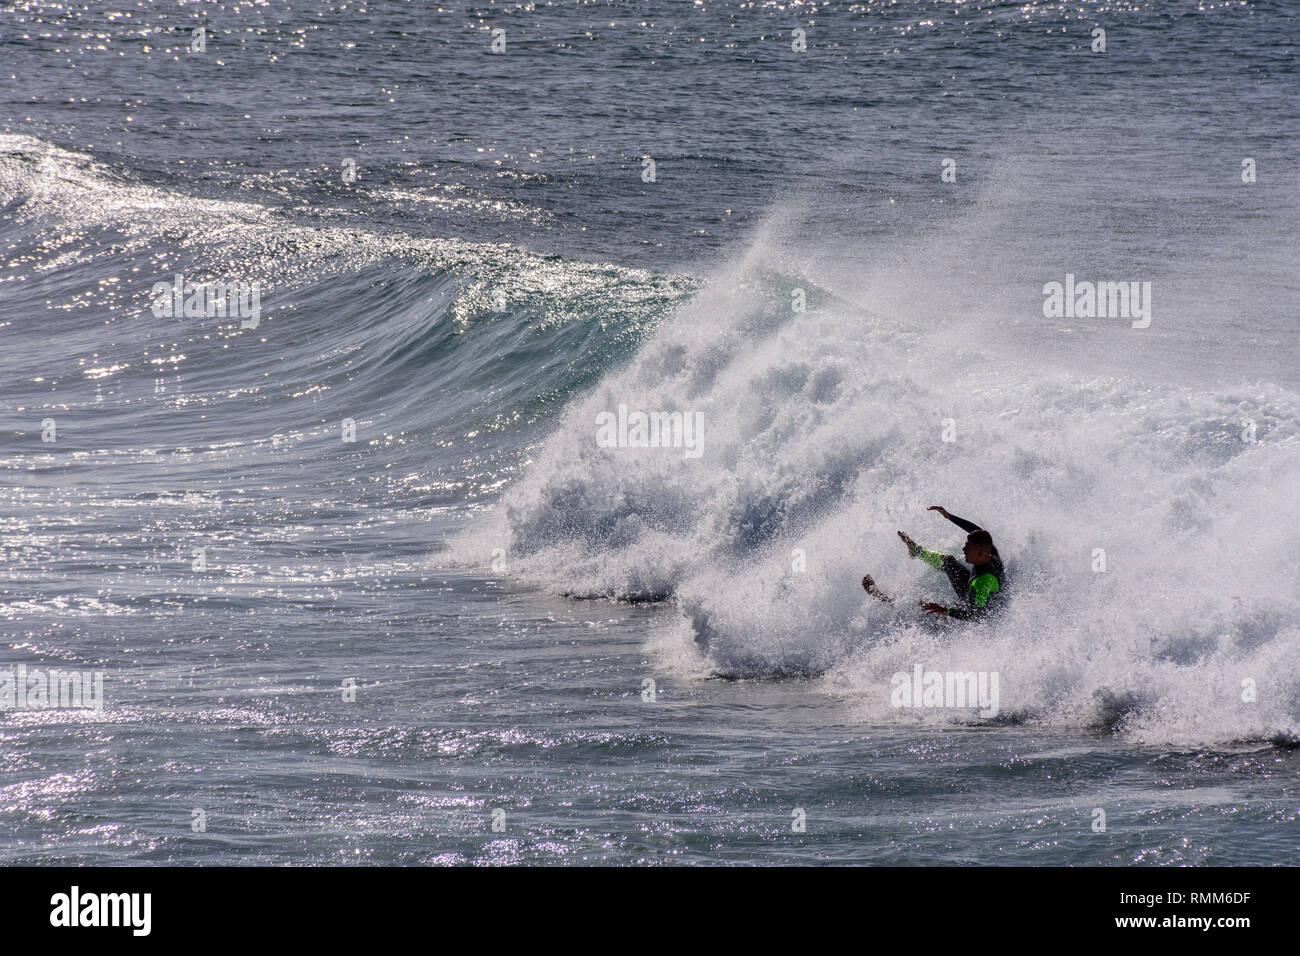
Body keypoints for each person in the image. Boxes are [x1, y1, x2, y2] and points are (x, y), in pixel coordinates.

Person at [862, 505, 1005, 619]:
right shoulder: (988, 551)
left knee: (928, 610)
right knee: (949, 561)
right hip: (973, 587)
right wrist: (950, 517)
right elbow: (977, 531)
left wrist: (947, 611)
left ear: (980, 552)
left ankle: (884, 599)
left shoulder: (984, 583)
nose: (963, 549)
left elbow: (978, 616)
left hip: (976, 607)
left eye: (968, 548)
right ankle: (916, 550)